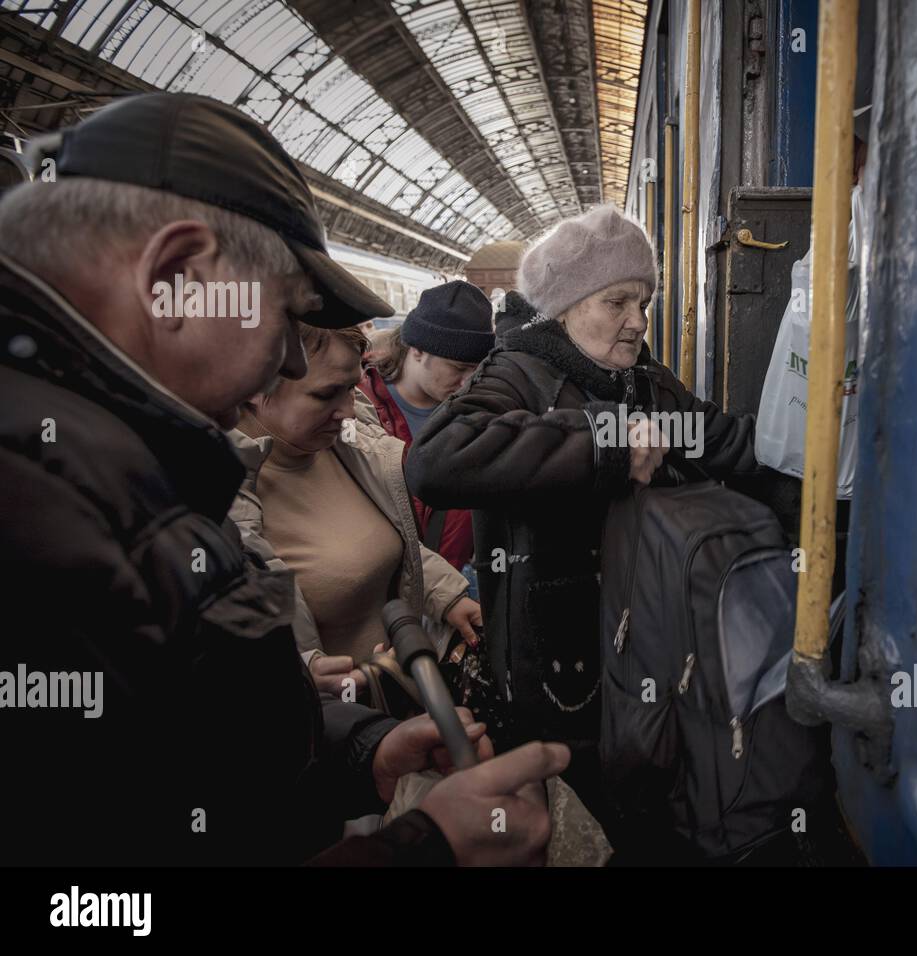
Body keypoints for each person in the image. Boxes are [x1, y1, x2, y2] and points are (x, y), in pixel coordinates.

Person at [0, 92, 566, 866]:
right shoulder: (43, 510)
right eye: (285, 315)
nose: (293, 364)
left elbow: (185, 764)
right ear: (177, 278)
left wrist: (356, 752)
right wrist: (427, 849)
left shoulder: (105, 469)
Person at [403, 205, 763, 854]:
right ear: (566, 305)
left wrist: (830, 463)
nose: (638, 319)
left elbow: (725, 444)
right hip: (557, 686)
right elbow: (440, 459)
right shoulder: (514, 375)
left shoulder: (648, 387)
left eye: (645, 301)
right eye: (618, 300)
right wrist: (602, 444)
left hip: (652, 663)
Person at [231, 322, 481, 697]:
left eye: (351, 387)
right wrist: (300, 676)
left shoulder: (349, 447)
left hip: (398, 699)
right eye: (326, 394)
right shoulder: (218, 497)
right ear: (253, 387)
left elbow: (392, 538)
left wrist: (449, 596)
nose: (348, 411)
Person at [359, 280, 494, 569]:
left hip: (454, 586)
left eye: (476, 369)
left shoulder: (481, 410)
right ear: (417, 349)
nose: (467, 382)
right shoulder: (358, 406)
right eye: (458, 368)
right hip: (384, 587)